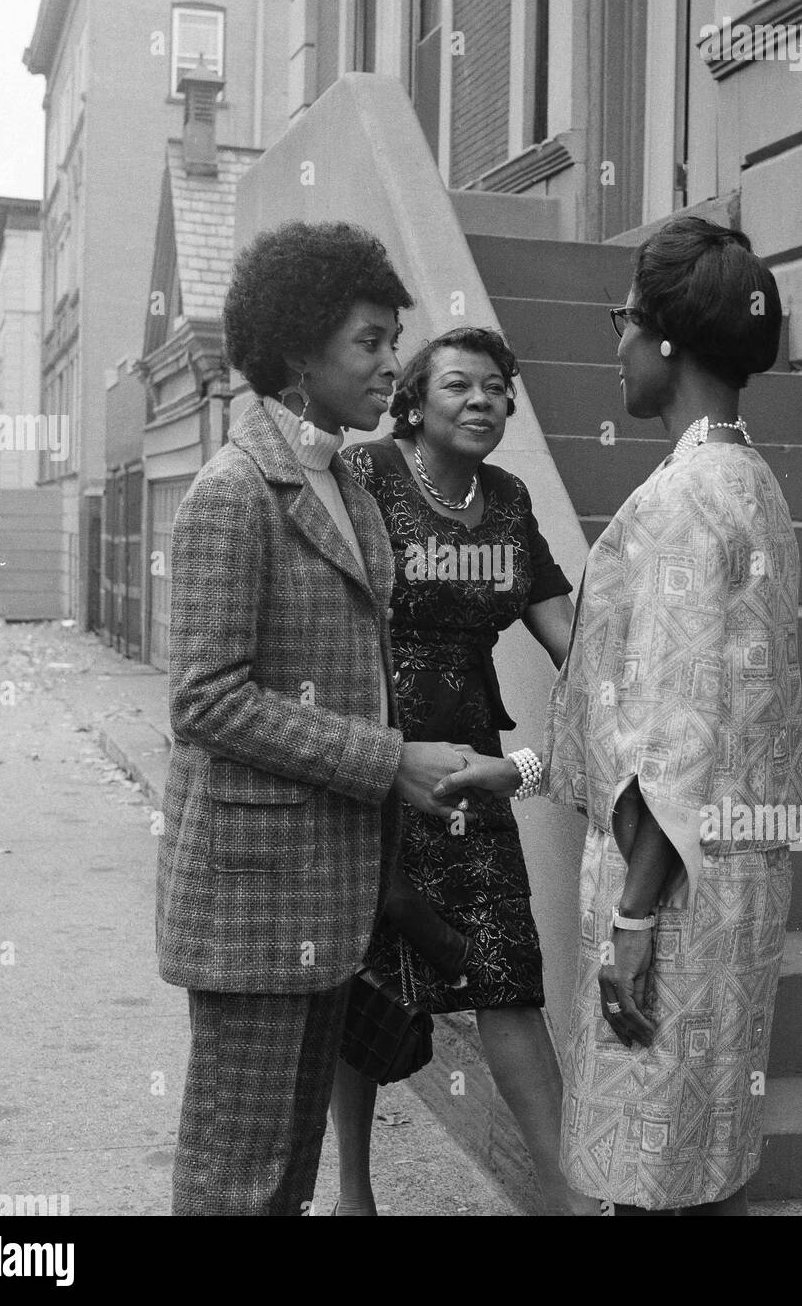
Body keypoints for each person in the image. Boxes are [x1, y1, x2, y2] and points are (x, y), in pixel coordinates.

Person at [437, 218, 802, 1215]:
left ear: (668, 340)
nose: (618, 346)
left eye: (626, 322)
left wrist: (634, 923)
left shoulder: (685, 498)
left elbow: (679, 735)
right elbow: (657, 705)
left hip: (672, 900)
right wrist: (517, 771)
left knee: (649, 1173)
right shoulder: (756, 485)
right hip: (736, 890)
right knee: (698, 1159)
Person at [155, 221, 471, 1216]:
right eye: (369, 343)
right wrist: (389, 761)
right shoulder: (234, 490)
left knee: (285, 1184)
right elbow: (205, 697)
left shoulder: (346, 484)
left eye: (392, 341)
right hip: (250, 911)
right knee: (234, 1187)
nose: (393, 366)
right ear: (300, 353)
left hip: (328, 903)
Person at [333, 327, 599, 1216]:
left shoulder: (511, 503)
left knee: (506, 976)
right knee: (364, 987)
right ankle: (355, 1192)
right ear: (414, 401)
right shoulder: (366, 477)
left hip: (469, 773)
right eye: (460, 385)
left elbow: (573, 642)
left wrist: (603, 700)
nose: (483, 400)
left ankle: (564, 1198)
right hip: (374, 765)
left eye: (497, 387)